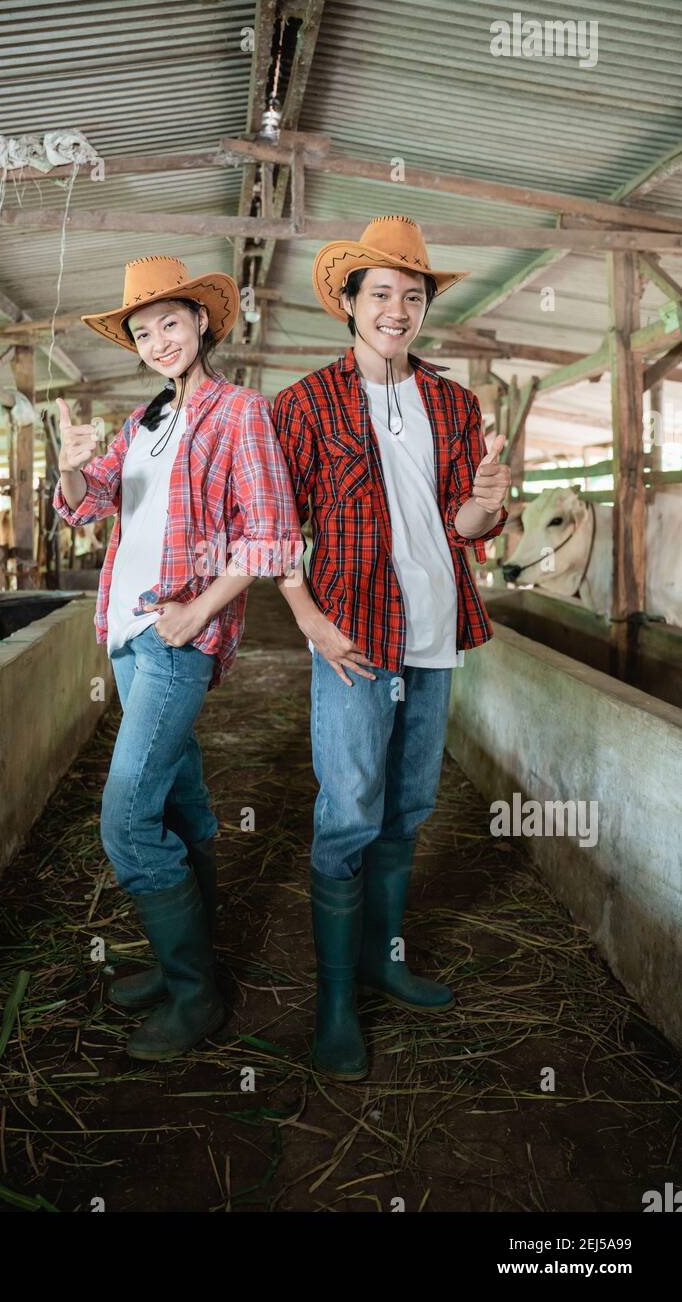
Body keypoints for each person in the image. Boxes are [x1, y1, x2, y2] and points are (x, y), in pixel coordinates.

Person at [271, 215, 511, 1080]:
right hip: (352, 635)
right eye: (382, 294)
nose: (398, 310)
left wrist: (485, 504)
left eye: (413, 296)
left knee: (408, 807)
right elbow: (268, 528)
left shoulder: (455, 403)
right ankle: (336, 1001)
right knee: (347, 811)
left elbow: (465, 524)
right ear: (348, 301)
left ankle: (387, 958)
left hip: (436, 631)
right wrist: (307, 616)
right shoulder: (301, 405)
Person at [54, 255, 304, 1062]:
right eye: (142, 330)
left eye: (171, 321)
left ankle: (197, 996)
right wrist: (69, 456)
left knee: (126, 821)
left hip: (175, 638)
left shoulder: (240, 413)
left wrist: (196, 611)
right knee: (179, 804)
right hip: (126, 638)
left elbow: (270, 536)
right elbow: (85, 505)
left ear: (203, 323)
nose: (158, 339)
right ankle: (179, 969)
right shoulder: (143, 423)